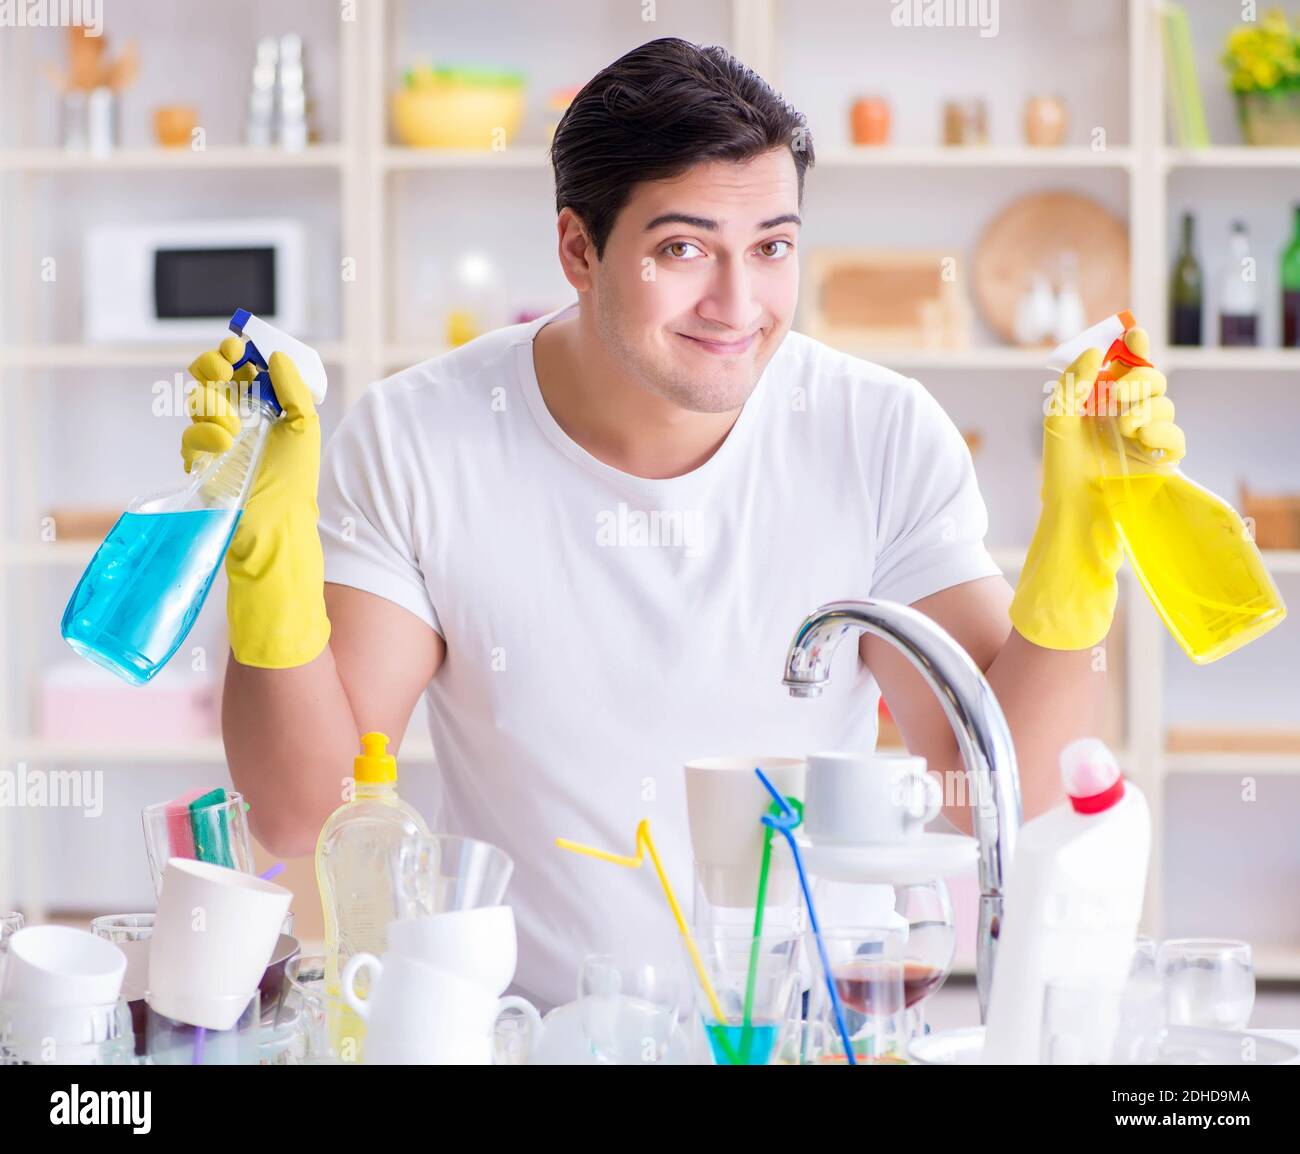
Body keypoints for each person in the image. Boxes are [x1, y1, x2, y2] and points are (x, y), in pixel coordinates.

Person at [181, 38, 1184, 1013]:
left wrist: (1078, 548)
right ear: (578, 248)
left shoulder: (878, 431)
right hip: (546, 1035)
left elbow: (997, 793)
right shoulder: (422, 435)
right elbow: (306, 817)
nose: (737, 303)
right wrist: (267, 552)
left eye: (772, 248)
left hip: (821, 1027)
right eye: (682, 248)